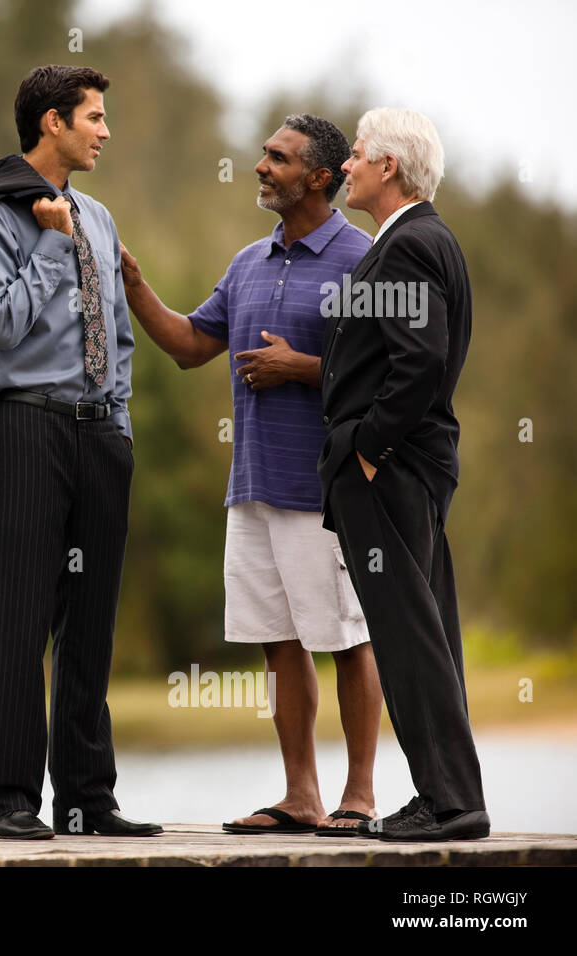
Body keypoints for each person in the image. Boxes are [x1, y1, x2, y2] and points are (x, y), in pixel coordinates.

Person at [0, 64, 161, 839]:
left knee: (92, 622)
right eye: (94, 117)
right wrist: (52, 245)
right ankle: (10, 802)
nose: (105, 132)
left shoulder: (103, 218)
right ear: (52, 123)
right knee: (17, 619)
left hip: (100, 434)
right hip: (23, 429)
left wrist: (120, 418)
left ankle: (87, 801)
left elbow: (115, 329)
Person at [121, 115, 384, 835]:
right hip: (253, 488)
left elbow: (393, 376)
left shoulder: (363, 259)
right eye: (264, 154)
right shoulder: (247, 263)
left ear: (321, 178)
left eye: (278, 158)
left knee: (347, 637)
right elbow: (187, 345)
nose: (260, 166)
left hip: (327, 489)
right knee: (278, 640)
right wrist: (133, 281)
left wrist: (300, 368)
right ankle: (301, 796)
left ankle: (358, 798)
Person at [320, 108, 489, 841]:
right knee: (425, 631)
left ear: (389, 167)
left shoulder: (411, 246)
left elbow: (419, 362)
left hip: (390, 472)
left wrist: (367, 447)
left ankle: (449, 803)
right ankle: (450, 796)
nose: (346, 166)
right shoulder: (430, 239)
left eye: (356, 155)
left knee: (407, 634)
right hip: (409, 469)